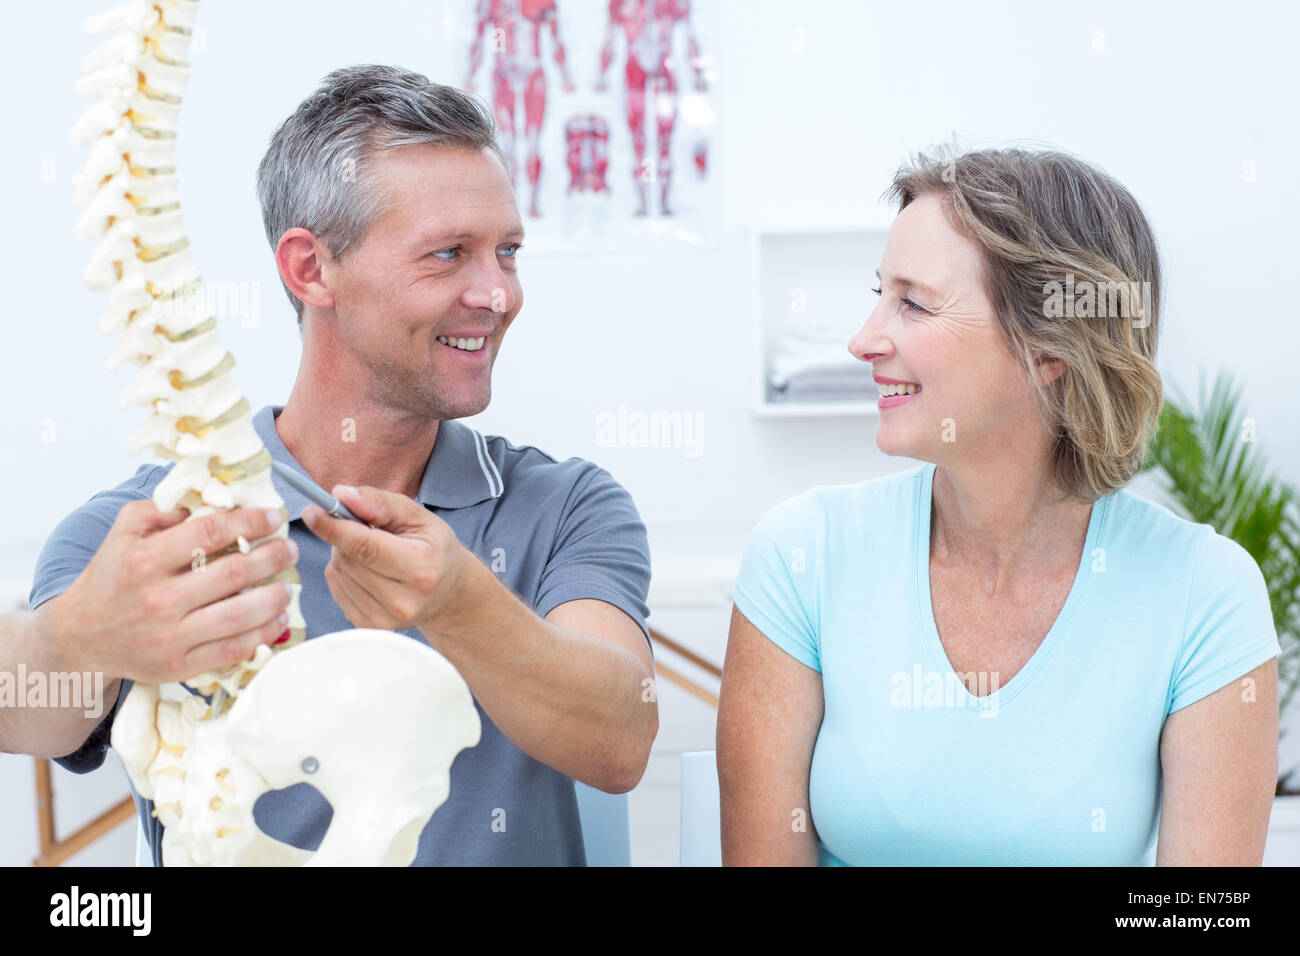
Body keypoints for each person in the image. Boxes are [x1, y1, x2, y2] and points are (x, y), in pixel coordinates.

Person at [2, 64, 656, 866]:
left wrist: (459, 604)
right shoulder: (149, 530)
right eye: (450, 255)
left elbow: (621, 737)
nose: (498, 294)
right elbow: (30, 711)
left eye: (508, 251)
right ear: (311, 270)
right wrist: (80, 639)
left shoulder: (565, 506)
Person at [718, 146, 1280, 866]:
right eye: (879, 294)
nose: (863, 341)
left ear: (1050, 348)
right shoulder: (803, 554)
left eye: (914, 303)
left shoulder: (1204, 592)